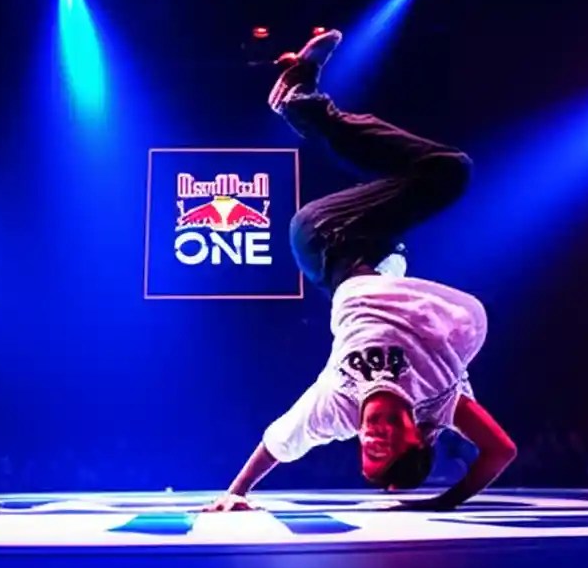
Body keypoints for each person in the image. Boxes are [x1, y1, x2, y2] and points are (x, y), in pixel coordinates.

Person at [204, 29, 516, 513]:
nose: (373, 437)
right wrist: (443, 503)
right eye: (388, 444)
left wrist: (235, 493)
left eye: (369, 450)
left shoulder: (337, 407)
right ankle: (301, 94)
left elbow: (278, 442)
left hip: (327, 243)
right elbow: (501, 451)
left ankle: (300, 102)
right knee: (443, 173)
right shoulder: (440, 399)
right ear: (421, 436)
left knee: (445, 173)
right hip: (380, 252)